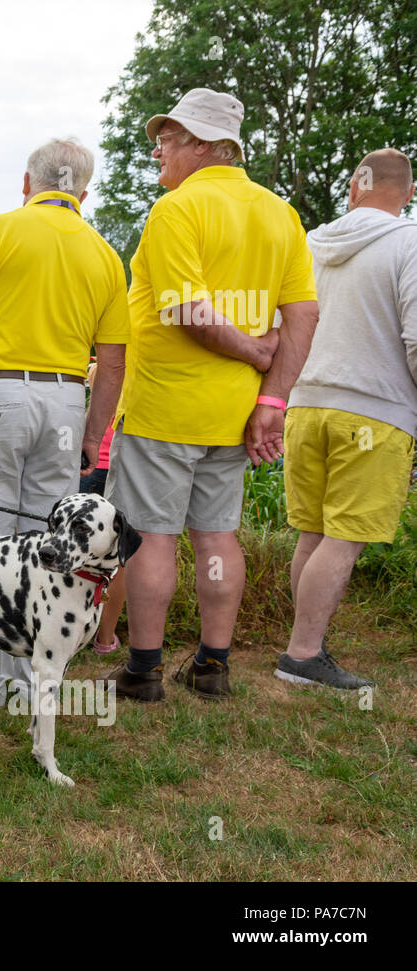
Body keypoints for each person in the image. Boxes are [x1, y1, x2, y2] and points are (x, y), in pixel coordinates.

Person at [103, 88, 318, 702]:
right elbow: (303, 315)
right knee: (217, 538)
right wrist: (272, 400)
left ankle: (142, 670)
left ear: (200, 144)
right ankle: (212, 665)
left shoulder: (176, 210)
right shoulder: (279, 213)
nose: (157, 153)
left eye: (165, 141)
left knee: (150, 537)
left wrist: (254, 352)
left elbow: (187, 310)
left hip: (166, 408)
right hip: (238, 415)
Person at [0, 138, 128, 708]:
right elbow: (112, 360)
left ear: (26, 184)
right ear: (83, 193)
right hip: (65, 402)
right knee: (44, 544)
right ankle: (30, 677)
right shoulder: (105, 254)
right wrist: (92, 434)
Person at [279, 148, 417, 689]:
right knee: (345, 537)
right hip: (374, 410)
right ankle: (303, 654)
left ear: (356, 186)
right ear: (407, 192)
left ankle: (303, 644)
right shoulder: (409, 241)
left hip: (306, 403)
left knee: (312, 533)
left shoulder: (311, 242)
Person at [79, 361, 124, 655]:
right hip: (120, 466)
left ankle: (73, 627)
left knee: (80, 550)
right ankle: (105, 639)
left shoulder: (102, 370)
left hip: (93, 467)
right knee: (117, 555)